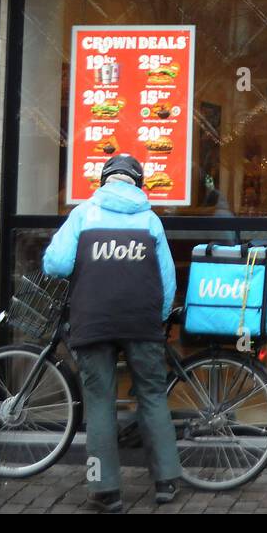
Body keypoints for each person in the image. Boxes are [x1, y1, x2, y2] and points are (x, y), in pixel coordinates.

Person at [43, 154, 181, 513]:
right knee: (152, 395)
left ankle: (105, 490)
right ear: (139, 183)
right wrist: (158, 318)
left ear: (104, 179)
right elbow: (168, 282)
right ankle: (166, 481)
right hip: (141, 323)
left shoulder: (84, 214)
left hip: (94, 322)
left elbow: (56, 264)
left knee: (100, 403)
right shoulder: (151, 221)